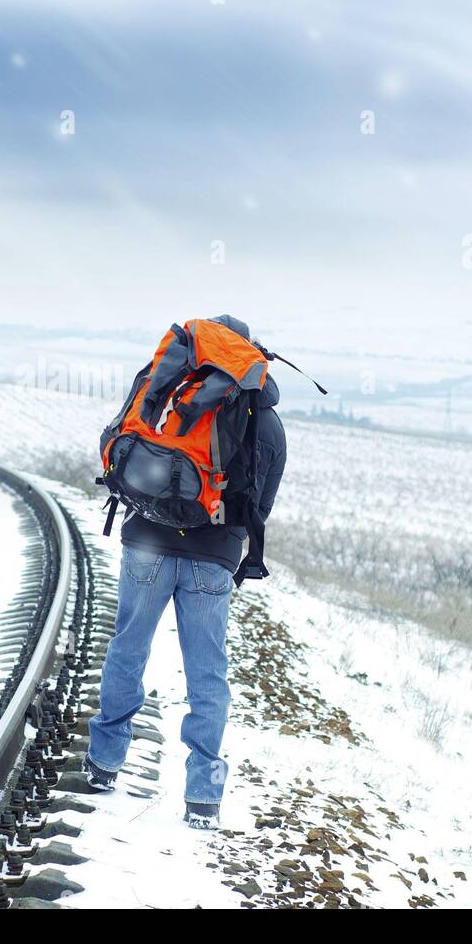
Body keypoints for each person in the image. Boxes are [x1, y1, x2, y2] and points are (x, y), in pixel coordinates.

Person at [84, 315, 287, 829]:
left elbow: (124, 446)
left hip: (147, 541)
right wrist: (236, 547)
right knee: (207, 672)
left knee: (128, 647)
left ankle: (105, 760)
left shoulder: (170, 383)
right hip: (212, 556)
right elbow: (259, 502)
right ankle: (202, 797)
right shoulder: (262, 416)